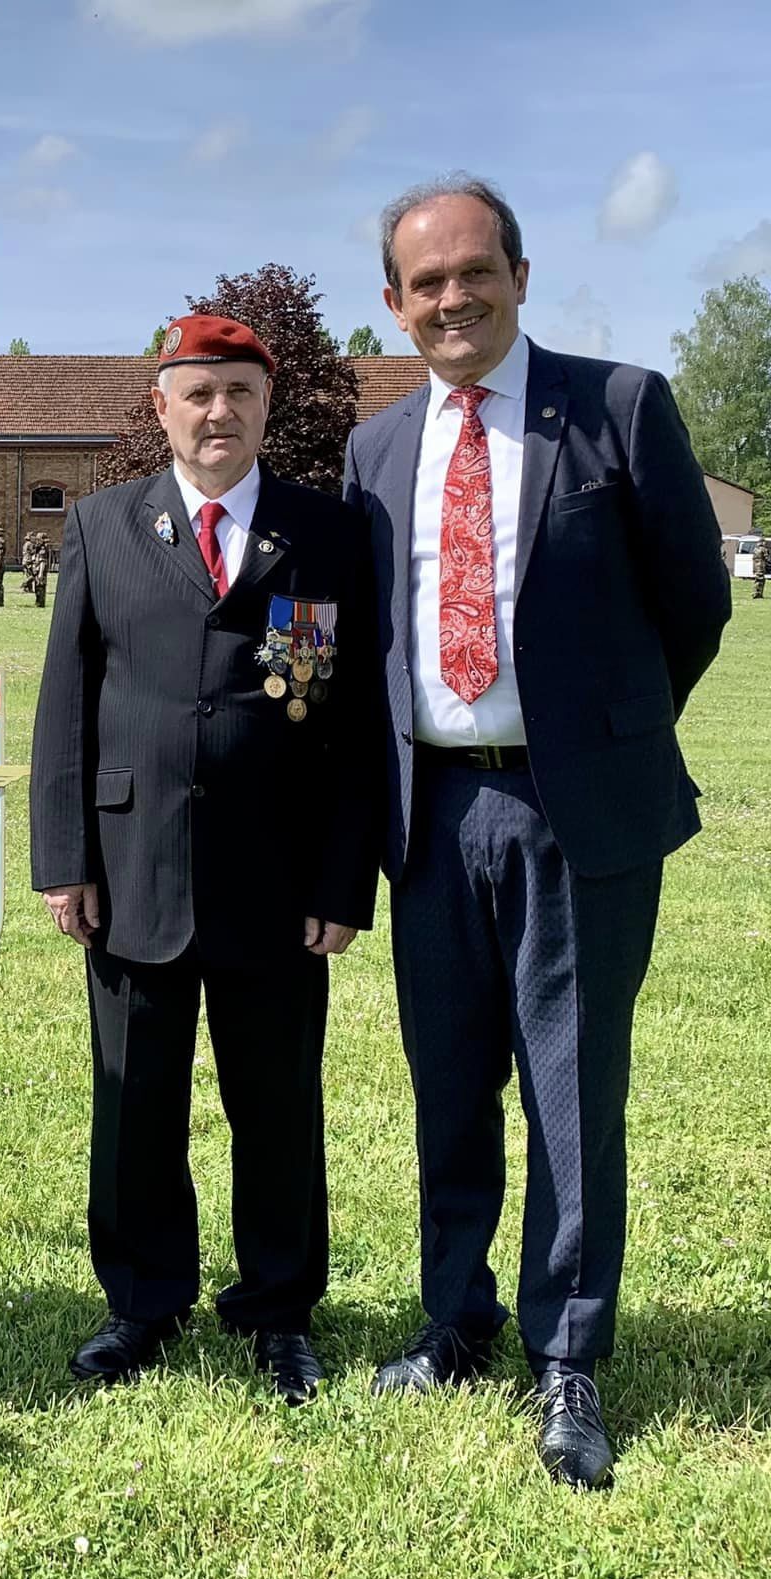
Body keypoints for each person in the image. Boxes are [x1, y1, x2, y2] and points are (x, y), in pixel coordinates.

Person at [344, 176, 732, 1488]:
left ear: (517, 273)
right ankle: (456, 1316)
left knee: (573, 1088)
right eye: (425, 283)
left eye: (473, 272)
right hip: (433, 811)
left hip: (575, 812)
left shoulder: (619, 407)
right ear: (395, 306)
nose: (452, 299)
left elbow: (692, 602)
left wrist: (598, 731)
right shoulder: (378, 449)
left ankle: (567, 1350)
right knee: (449, 1082)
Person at [30, 314, 381, 1407]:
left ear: (265, 405)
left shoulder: (320, 534)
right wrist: (61, 861)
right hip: (130, 864)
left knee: (273, 1105)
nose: (216, 411)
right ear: (160, 408)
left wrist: (337, 879)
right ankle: (141, 1302)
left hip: (274, 880)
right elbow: (66, 706)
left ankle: (277, 1309)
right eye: (196, 393)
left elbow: (339, 714)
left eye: (236, 391)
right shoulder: (102, 525)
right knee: (132, 1099)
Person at [752, 534, 767, 599]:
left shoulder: (755, 549)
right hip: (761, 565)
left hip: (755, 565)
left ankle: (755, 592)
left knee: (756, 579)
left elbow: (753, 559)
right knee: (761, 580)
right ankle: (758, 594)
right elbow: (766, 557)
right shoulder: (763, 549)